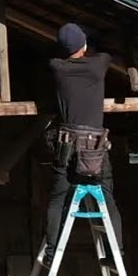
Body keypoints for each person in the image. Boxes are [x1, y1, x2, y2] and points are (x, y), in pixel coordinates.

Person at [41, 22, 123, 262]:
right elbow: (107, 51)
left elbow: (51, 56)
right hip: (95, 149)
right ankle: (114, 251)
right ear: (84, 45)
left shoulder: (57, 68)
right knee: (107, 199)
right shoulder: (98, 65)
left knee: (57, 201)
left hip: (66, 147)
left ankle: (50, 253)